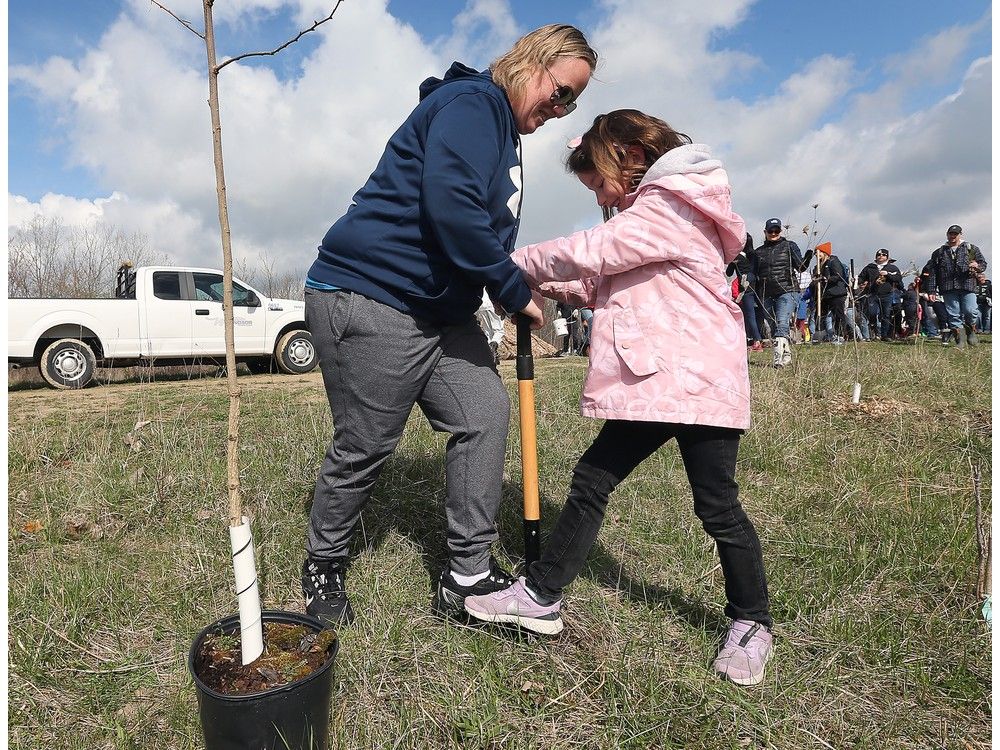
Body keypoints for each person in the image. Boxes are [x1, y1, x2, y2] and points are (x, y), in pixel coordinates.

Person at [300, 25, 598, 626]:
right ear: (528, 63)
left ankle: (467, 574)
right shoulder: (472, 106)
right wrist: (514, 293)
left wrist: (528, 279)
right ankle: (323, 565)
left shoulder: (500, 128)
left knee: (483, 410)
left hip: (438, 309)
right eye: (560, 91)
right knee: (367, 442)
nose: (561, 108)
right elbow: (454, 209)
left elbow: (480, 233)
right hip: (374, 293)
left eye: (573, 102)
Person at [463, 110, 774, 686]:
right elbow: (595, 281)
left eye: (599, 184)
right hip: (656, 382)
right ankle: (542, 593)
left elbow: (597, 251)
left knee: (716, 505)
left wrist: (508, 261)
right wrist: (534, 283)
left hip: (699, 383)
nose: (601, 198)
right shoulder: (647, 217)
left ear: (627, 157)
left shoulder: (673, 204)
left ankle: (752, 622)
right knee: (591, 481)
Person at [752, 218, 812, 367]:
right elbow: (754, 274)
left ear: (780, 231)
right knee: (772, 326)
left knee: (781, 323)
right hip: (766, 292)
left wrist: (809, 256)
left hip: (787, 290)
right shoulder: (758, 252)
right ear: (765, 232)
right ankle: (786, 356)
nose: (773, 233)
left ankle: (778, 360)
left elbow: (801, 267)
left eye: (776, 230)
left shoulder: (789, 246)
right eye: (770, 231)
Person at [923, 225, 989, 348]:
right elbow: (933, 273)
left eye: (955, 234)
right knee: (953, 314)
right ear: (947, 235)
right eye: (950, 234)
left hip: (967, 285)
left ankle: (971, 331)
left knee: (971, 310)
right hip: (948, 287)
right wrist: (931, 290)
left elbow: (983, 264)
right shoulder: (939, 252)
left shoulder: (971, 249)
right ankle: (960, 340)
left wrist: (977, 265)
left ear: (960, 235)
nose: (953, 236)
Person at [857, 249, 902, 341]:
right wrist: (861, 283)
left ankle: (884, 335)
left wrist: (888, 274)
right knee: (872, 313)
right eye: (879, 255)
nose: (881, 256)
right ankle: (874, 332)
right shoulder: (870, 267)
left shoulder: (892, 268)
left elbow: (898, 278)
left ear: (887, 257)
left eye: (883, 255)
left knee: (886, 315)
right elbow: (861, 276)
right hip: (873, 294)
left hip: (887, 295)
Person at [727, 234, 763, 351]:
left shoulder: (736, 257)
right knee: (761, 313)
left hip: (746, 288)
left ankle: (757, 342)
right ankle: (762, 338)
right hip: (758, 287)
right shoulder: (755, 254)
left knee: (749, 316)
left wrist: (732, 261)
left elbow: (728, 273)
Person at [815, 242, 850, 342]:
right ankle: (823, 334)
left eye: (818, 252)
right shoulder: (821, 265)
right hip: (827, 294)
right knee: (822, 315)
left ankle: (840, 335)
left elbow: (838, 276)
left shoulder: (833, 261)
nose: (816, 255)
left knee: (838, 315)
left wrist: (826, 279)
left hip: (836, 293)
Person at [475, 290, 505, 365]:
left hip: (481, 305)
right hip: (493, 304)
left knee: (488, 331)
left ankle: (491, 356)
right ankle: (493, 348)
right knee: (498, 330)